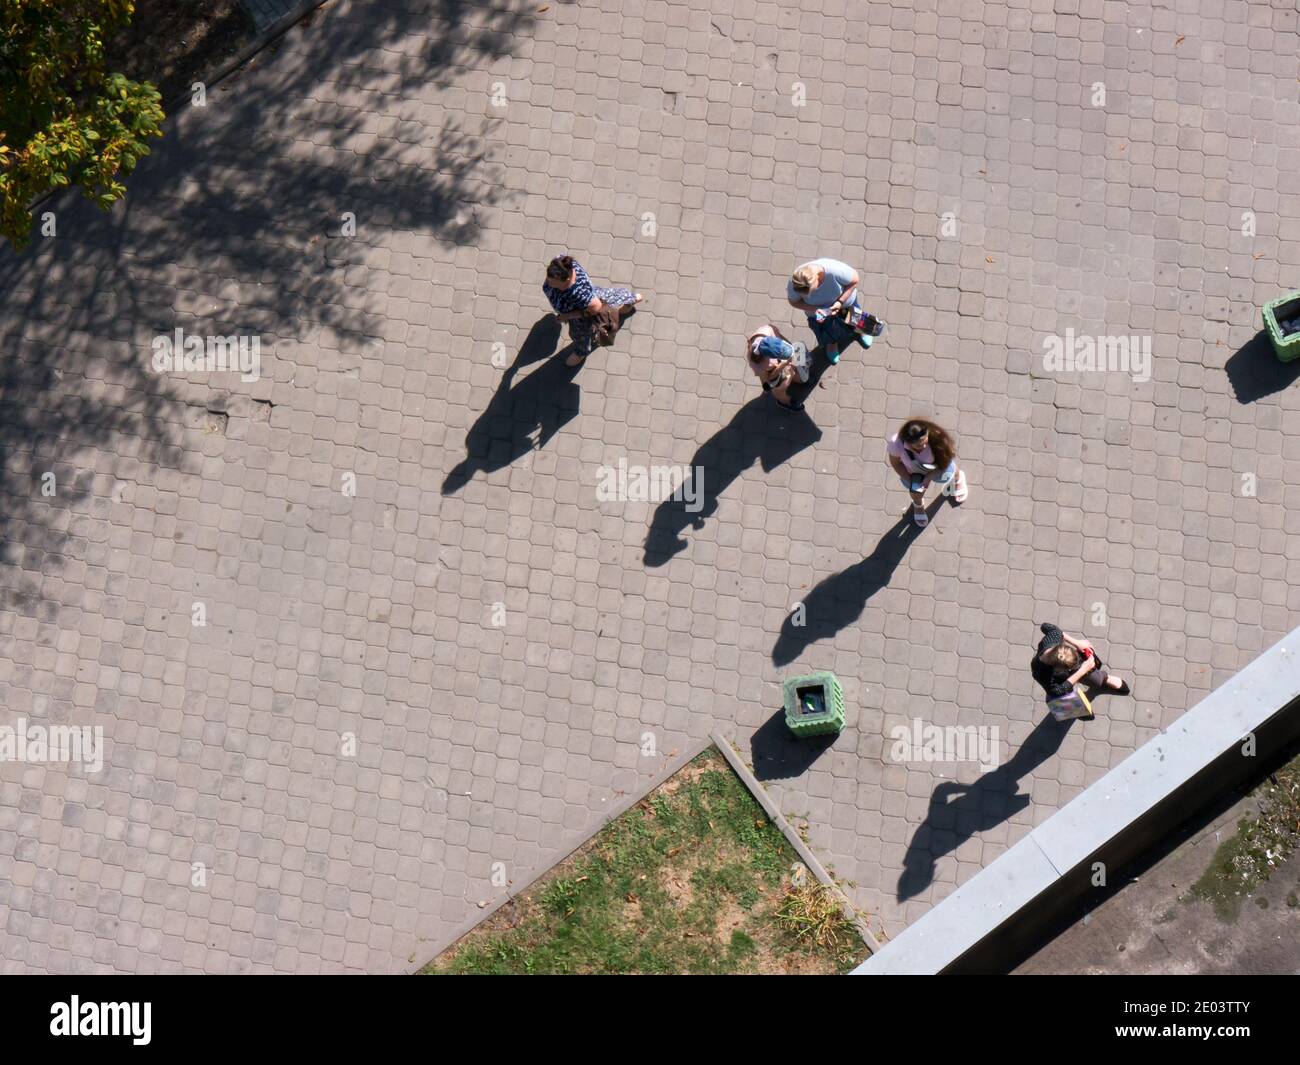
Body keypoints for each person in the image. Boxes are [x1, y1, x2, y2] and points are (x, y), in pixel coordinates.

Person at [542, 255, 643, 366]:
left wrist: (567, 316)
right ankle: (630, 301)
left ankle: (581, 352)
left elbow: (596, 308)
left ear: (566, 281)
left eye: (553, 282)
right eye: (548, 279)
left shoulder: (579, 293)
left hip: (582, 315)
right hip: (589, 299)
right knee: (610, 297)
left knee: (580, 335)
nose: (548, 283)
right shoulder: (561, 262)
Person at [786, 258, 880, 364]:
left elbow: (855, 279)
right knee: (828, 331)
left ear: (817, 277)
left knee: (856, 318)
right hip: (819, 314)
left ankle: (862, 331)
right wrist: (816, 309)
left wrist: (840, 302)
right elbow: (794, 302)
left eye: (812, 291)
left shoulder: (834, 270)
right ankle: (832, 344)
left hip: (845, 304)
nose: (810, 296)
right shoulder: (796, 282)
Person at [1032, 624, 1129, 720]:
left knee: (1094, 678)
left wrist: (1076, 643)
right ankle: (1076, 710)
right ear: (1059, 669)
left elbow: (1046, 627)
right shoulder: (1041, 673)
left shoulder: (1053, 638)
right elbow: (1056, 691)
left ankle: (1103, 679)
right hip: (1059, 683)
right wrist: (1082, 670)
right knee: (1061, 699)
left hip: (1068, 667)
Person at [886, 418, 968, 527]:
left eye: (925, 440)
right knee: (915, 492)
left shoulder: (937, 437)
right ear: (907, 442)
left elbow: (946, 459)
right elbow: (896, 463)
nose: (924, 446)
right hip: (912, 473)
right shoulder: (896, 444)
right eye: (919, 445)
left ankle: (958, 478)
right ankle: (918, 505)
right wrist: (910, 480)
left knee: (950, 472)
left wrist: (928, 477)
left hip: (938, 467)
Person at [743, 324, 803, 411]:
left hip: (777, 364)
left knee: (794, 374)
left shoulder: (768, 330)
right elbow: (769, 379)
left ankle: (799, 379)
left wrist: (789, 348)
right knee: (778, 387)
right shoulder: (760, 364)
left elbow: (779, 336)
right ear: (771, 357)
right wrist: (783, 365)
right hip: (770, 374)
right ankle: (784, 402)